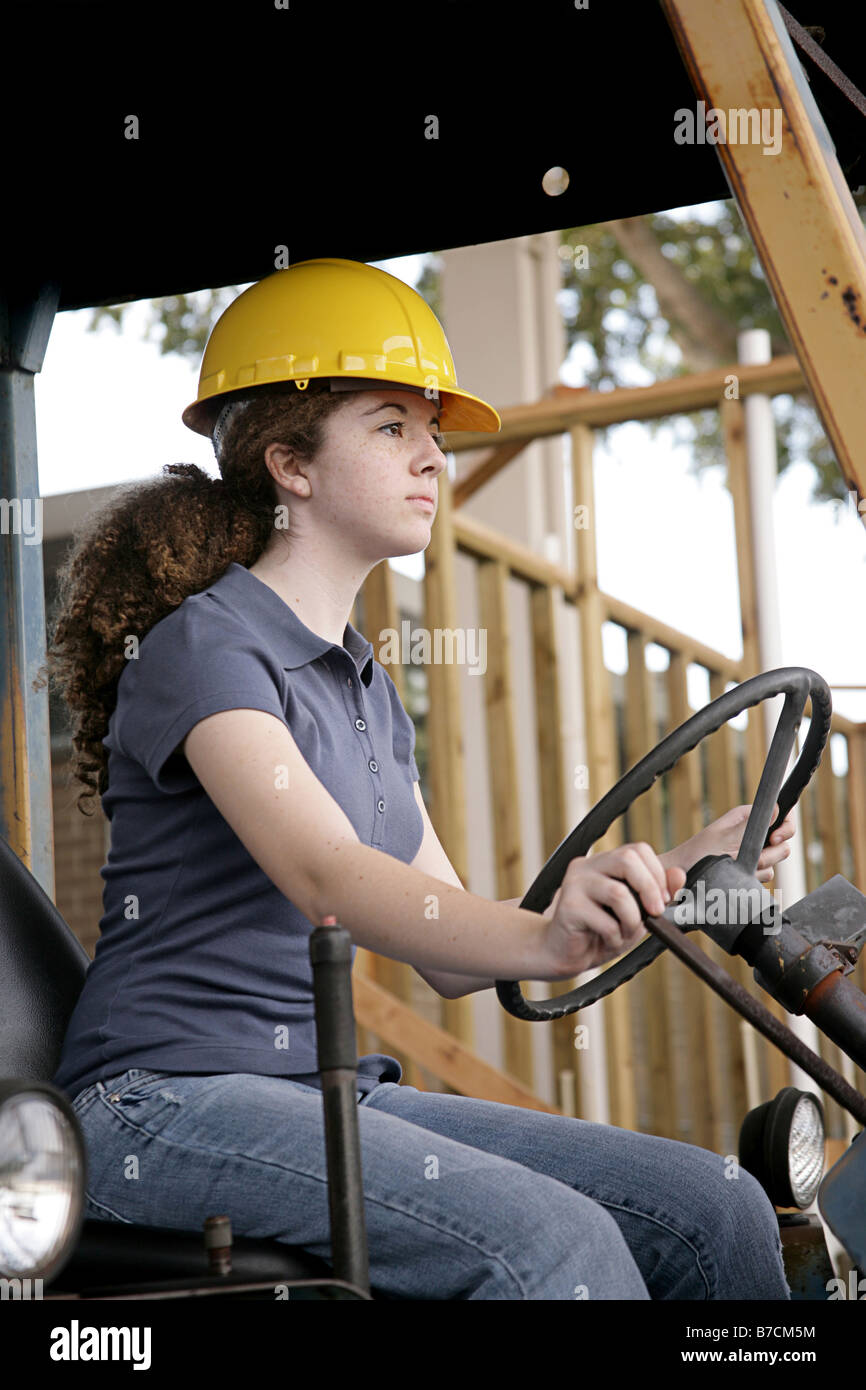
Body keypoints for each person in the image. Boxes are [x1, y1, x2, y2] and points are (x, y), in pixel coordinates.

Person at [45, 257, 795, 1300]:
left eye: (431, 431)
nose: (433, 458)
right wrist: (541, 934)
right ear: (290, 466)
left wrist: (664, 872)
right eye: (393, 426)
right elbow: (328, 876)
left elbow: (450, 949)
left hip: (323, 1092)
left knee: (712, 1205)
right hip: (159, 1104)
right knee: (552, 1245)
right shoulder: (205, 649)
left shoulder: (364, 687)